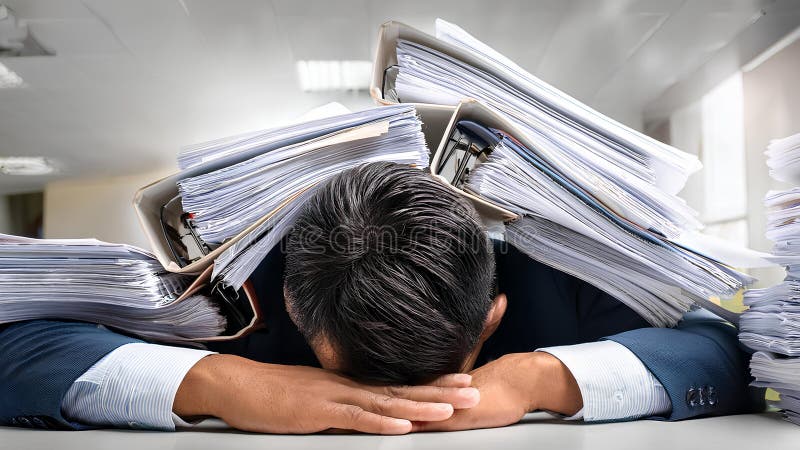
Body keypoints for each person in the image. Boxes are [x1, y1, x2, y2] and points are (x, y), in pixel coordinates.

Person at [0, 162, 761, 434]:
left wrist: (539, 379)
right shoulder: (245, 285)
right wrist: (219, 383)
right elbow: (19, 347)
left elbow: (722, 345)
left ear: (495, 311)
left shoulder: (555, 273)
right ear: (295, 306)